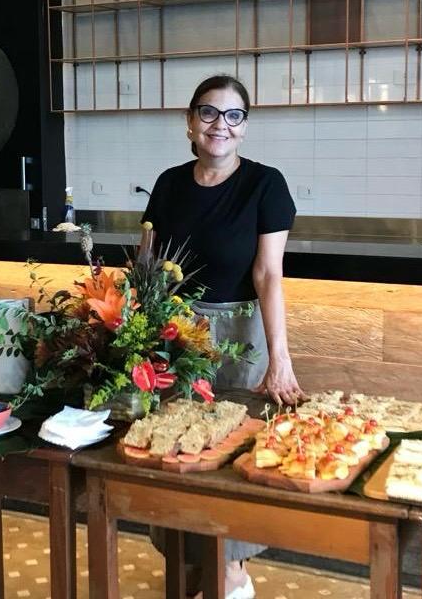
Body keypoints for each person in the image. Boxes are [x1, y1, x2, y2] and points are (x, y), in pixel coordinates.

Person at [141, 74, 303, 598]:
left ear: (245, 128)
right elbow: (146, 264)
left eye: (233, 115)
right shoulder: (168, 184)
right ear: (190, 122)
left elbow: (268, 276)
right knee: (174, 451)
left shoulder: (265, 184)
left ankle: (231, 577)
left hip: (239, 336)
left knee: (231, 456)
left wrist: (281, 359)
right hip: (176, 334)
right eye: (209, 113)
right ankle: (191, 568)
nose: (220, 125)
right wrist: (135, 335)